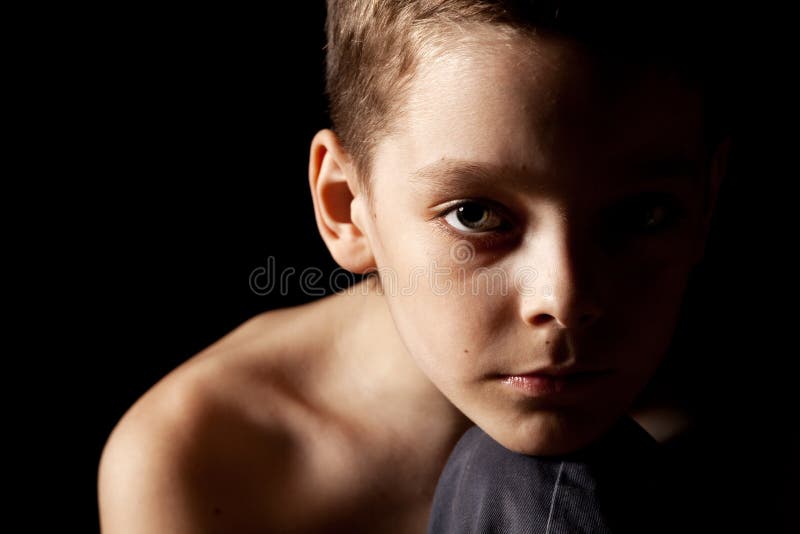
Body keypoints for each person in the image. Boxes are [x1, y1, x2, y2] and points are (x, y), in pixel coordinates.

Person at [98, 1, 730, 532]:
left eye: (643, 214)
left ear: (707, 203)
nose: (565, 297)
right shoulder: (200, 461)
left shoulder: (742, 415)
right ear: (346, 207)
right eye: (476, 215)